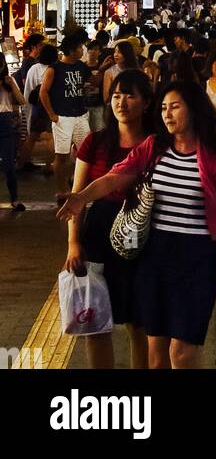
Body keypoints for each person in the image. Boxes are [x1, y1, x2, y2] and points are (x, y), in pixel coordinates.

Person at [58, 80, 216, 368]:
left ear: (193, 111)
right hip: (154, 258)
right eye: (164, 108)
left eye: (175, 107)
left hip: (196, 260)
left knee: (182, 353)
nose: (167, 114)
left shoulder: (214, 158)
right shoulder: (154, 147)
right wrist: (82, 197)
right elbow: (115, 177)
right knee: (156, 357)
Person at [63, 69, 155, 369]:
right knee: (95, 320)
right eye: (116, 95)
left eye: (130, 96)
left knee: (140, 323)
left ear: (146, 102)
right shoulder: (95, 142)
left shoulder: (157, 145)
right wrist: (73, 243)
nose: (122, 102)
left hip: (143, 237)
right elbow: (77, 198)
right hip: (98, 235)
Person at [40, 32, 91, 201]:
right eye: (79, 47)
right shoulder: (54, 69)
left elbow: (92, 81)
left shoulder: (81, 67)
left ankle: (75, 183)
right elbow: (43, 93)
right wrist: (53, 115)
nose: (82, 50)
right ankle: (63, 190)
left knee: (87, 152)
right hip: (63, 118)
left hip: (80, 115)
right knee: (61, 156)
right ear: (71, 50)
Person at [20, 42, 58, 172]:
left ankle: (20, 164)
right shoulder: (55, 69)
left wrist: (27, 108)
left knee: (32, 137)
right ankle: (48, 167)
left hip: (37, 107)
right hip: (51, 106)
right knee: (50, 137)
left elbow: (28, 89)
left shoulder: (34, 68)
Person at [0, 53, 26, 211]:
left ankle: (14, 198)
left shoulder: (9, 81)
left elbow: (22, 101)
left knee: (9, 165)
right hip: (7, 122)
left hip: (7, 123)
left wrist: (11, 86)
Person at [102, 40, 138, 104]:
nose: (115, 55)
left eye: (119, 52)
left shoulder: (136, 71)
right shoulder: (109, 72)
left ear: (127, 54)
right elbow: (106, 98)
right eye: (115, 52)